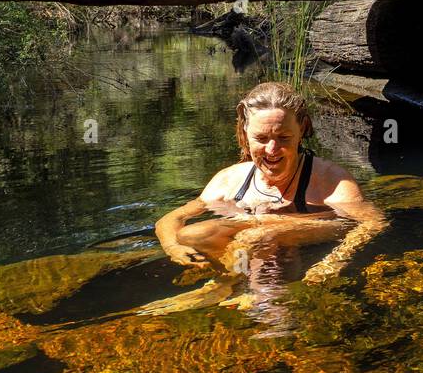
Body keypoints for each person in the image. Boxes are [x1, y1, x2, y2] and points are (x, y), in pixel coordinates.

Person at [153, 81, 385, 286]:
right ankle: (229, 279)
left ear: (301, 129)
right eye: (261, 139)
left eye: (283, 138)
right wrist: (173, 247)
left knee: (258, 235)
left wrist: (333, 261)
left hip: (312, 247)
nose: (272, 150)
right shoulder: (228, 180)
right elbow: (171, 219)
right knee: (194, 235)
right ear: (245, 131)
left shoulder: (331, 180)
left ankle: (232, 280)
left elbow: (373, 223)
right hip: (247, 257)